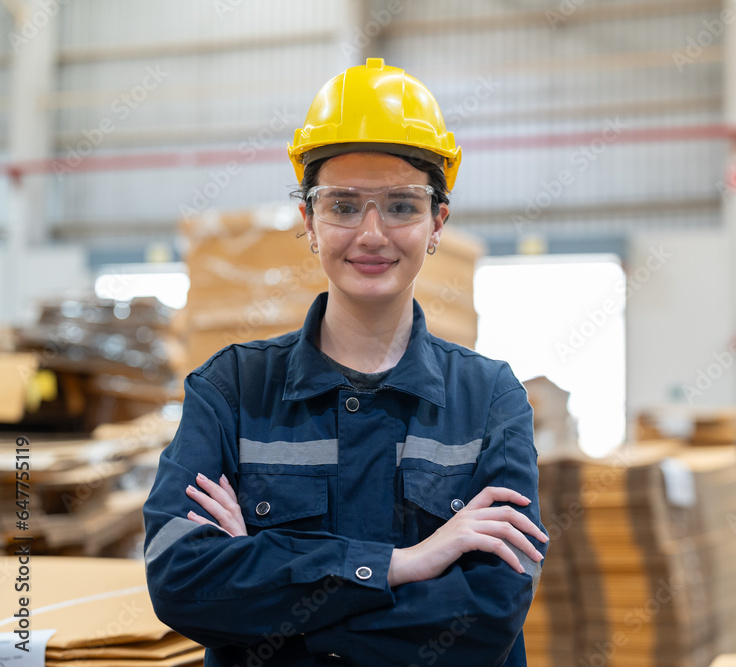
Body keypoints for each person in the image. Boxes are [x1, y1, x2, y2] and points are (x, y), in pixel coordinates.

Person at [143, 58, 548, 667]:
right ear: (308, 220)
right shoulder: (230, 388)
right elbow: (181, 579)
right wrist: (403, 565)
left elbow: (486, 616)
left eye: (402, 206)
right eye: (343, 205)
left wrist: (267, 583)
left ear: (438, 222)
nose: (372, 233)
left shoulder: (489, 398)